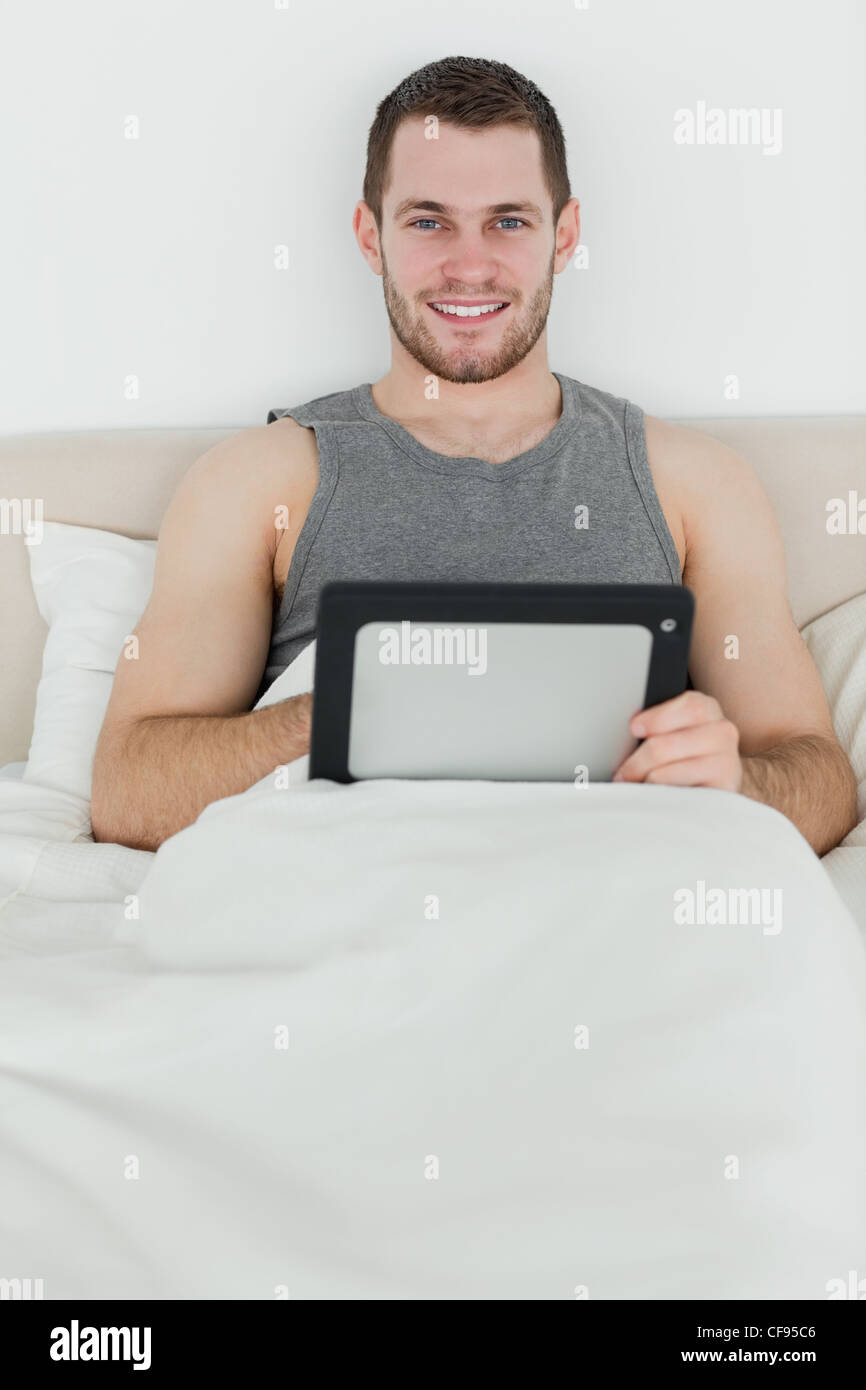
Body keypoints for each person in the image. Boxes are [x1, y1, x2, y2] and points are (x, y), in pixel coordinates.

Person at [91, 56, 856, 855]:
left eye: (508, 221)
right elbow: (127, 792)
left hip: (603, 903)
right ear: (370, 236)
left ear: (565, 237)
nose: (468, 264)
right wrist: (346, 713)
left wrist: (737, 779)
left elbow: (822, 779)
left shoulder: (696, 483)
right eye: (428, 221)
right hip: (349, 905)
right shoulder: (258, 481)